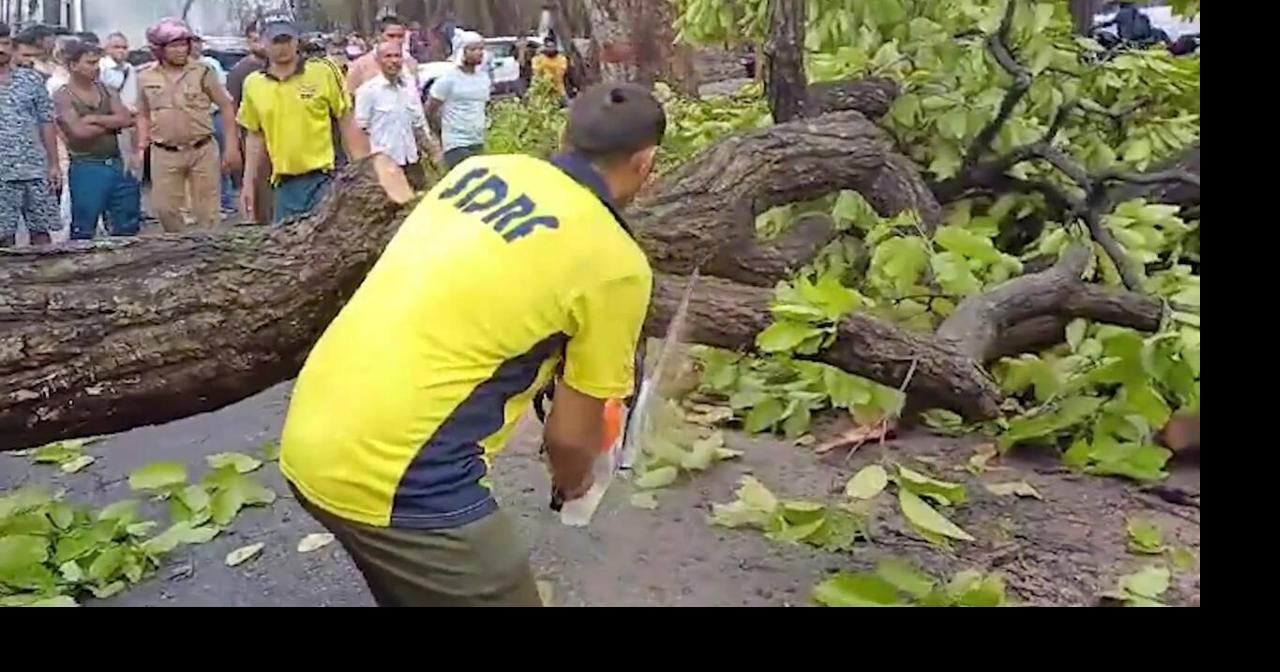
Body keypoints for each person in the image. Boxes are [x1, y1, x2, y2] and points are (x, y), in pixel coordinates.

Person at [279, 82, 665, 607]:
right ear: (645, 163)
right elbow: (571, 439)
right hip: (398, 479)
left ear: (563, 134)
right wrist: (574, 483)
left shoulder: (480, 171)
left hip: (308, 435)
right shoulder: (617, 265)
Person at [238, 15, 369, 224]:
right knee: (286, 249)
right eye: (275, 41)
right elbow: (255, 135)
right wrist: (248, 183)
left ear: (297, 39)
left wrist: (362, 168)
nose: (282, 47)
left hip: (323, 179)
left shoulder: (322, 71)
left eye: (287, 40)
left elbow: (346, 120)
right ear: (263, 43)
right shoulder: (254, 84)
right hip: (283, 184)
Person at [135, 18, 240, 233]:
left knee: (207, 212)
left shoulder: (203, 72)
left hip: (202, 148)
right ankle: (178, 251)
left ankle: (207, 255)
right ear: (159, 49)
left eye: (184, 44)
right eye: (174, 45)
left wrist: (231, 147)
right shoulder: (145, 77)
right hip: (164, 152)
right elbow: (143, 114)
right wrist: (141, 144)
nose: (180, 50)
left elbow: (226, 106)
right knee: (165, 209)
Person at [51, 40, 140, 241]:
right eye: (90, 63)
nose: (96, 68)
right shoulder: (63, 95)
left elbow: (126, 119)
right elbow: (78, 132)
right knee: (84, 227)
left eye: (97, 62)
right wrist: (112, 123)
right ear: (73, 65)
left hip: (117, 163)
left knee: (127, 224)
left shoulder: (107, 90)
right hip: (86, 165)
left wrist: (94, 119)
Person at [0, 24, 61, 248]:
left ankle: (45, 280)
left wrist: (53, 164)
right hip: (1, 173)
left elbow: (46, 121)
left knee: (41, 232)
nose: (1, 49)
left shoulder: (31, 80)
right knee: (3, 236)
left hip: (34, 168)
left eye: (5, 44)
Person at [355, 41, 439, 191]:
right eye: (388, 56)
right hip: (385, 166)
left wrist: (433, 154)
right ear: (378, 60)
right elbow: (360, 131)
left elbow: (417, 126)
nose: (394, 61)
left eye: (397, 56)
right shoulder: (368, 91)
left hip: (411, 162)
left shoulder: (407, 89)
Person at [226, 22, 272, 224]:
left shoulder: (289, 65)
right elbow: (232, 106)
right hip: (253, 135)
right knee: (259, 186)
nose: (259, 44)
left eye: (261, 38)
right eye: (253, 39)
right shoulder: (240, 71)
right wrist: (234, 143)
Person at [428, 31, 489, 169]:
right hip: (456, 143)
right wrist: (440, 133)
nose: (479, 53)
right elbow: (431, 109)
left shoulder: (483, 78)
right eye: (473, 49)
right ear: (461, 52)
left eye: (481, 49)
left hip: (478, 140)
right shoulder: (448, 79)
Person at [191, 33, 236, 215]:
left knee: (223, 159)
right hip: (195, 118)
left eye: (198, 43)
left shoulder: (211, 64)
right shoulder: (182, 69)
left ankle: (226, 201)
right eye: (192, 43)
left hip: (215, 114)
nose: (195, 47)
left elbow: (222, 92)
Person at [100, 32, 140, 177]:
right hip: (109, 123)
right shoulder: (101, 68)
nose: (121, 51)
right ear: (106, 49)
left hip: (129, 124)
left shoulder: (130, 69)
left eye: (124, 47)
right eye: (116, 47)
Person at [346, 14, 418, 94]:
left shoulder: (410, 64)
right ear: (379, 36)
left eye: (400, 36)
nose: (396, 40)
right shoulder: (360, 65)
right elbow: (350, 96)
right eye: (391, 36)